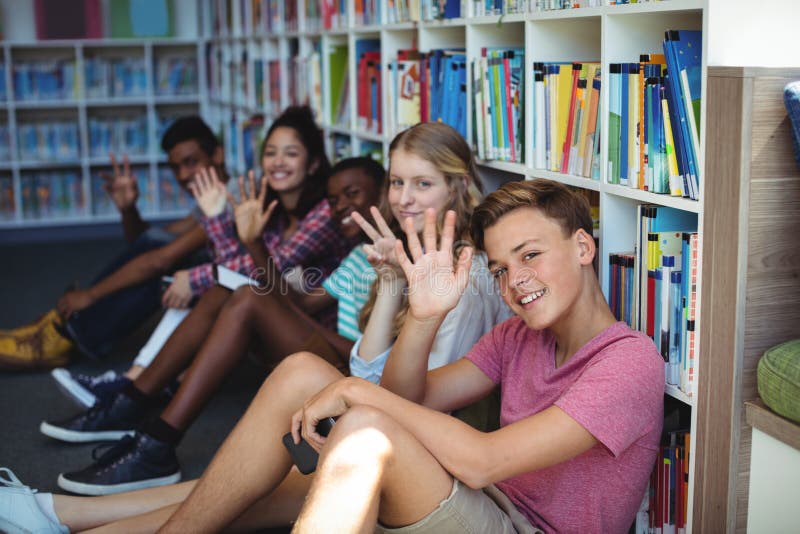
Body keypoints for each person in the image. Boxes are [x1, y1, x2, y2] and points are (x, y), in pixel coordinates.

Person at [0, 122, 515, 532]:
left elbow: (412, 402)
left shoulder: (461, 275)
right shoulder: (402, 252)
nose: (403, 197)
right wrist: (387, 288)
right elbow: (364, 364)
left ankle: (61, 506)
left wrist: (239, 238)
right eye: (397, 182)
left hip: (421, 452)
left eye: (422, 184)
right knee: (238, 476)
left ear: (458, 186)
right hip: (380, 411)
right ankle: (54, 511)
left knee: (240, 486)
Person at [36, 106, 357, 495]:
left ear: (313, 163)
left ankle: (143, 419)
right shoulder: (268, 204)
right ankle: (137, 411)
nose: (277, 161)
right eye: (271, 151)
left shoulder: (324, 214)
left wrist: (218, 230)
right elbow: (238, 269)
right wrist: (223, 229)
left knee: (235, 294)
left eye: (291, 153)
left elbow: (264, 273)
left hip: (313, 338)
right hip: (285, 324)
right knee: (224, 290)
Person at [0, 116, 227, 370]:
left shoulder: (228, 199)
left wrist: (90, 296)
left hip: (228, 288)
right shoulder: (208, 199)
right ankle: (61, 326)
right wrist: (128, 210)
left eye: (191, 162)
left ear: (217, 154)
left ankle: (66, 334)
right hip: (213, 279)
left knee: (162, 264)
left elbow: (161, 258)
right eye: (175, 167)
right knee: (157, 248)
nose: (183, 175)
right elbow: (148, 241)